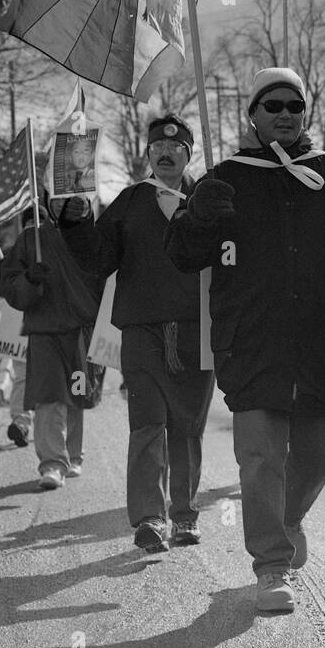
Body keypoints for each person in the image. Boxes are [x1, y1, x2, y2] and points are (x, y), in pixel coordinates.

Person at [165, 68, 325, 613]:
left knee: (323, 453)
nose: (283, 114)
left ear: (305, 115)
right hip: (251, 344)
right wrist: (199, 216)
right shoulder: (223, 180)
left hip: (321, 344)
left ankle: (289, 519)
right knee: (260, 456)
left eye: (293, 106)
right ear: (252, 114)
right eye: (271, 105)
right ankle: (271, 566)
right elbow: (181, 254)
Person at [95, 114, 215, 553]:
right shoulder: (129, 202)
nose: (166, 154)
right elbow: (97, 259)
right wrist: (76, 224)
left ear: (189, 153)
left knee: (187, 426)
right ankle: (149, 518)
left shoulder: (207, 199)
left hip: (197, 330)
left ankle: (183, 516)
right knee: (148, 423)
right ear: (147, 155)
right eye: (157, 149)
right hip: (142, 332)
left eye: (176, 148)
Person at [0, 194, 103, 489]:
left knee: (78, 394)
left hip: (80, 333)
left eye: (68, 199)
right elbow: (6, 282)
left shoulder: (87, 235)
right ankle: (53, 464)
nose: (62, 204)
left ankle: (74, 455)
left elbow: (107, 272)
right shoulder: (31, 240)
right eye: (56, 199)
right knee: (50, 395)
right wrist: (29, 278)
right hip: (45, 334)